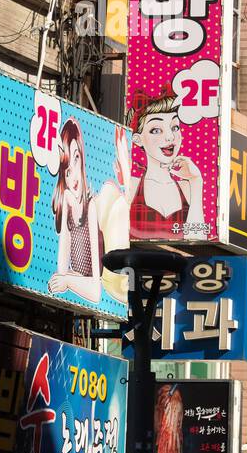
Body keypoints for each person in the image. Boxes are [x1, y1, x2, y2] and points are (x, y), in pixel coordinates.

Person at [47, 118, 128, 304]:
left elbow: (95, 292)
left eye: (76, 158)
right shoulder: (68, 207)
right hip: (85, 286)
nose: (73, 174)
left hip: (114, 285)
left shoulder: (90, 207)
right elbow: (61, 269)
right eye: (66, 169)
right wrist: (67, 206)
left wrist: (67, 280)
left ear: (82, 159)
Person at [124, 90, 204, 240]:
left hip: (181, 263)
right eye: (156, 130)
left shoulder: (187, 187)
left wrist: (196, 180)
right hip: (134, 262)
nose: (170, 137)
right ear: (137, 139)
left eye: (174, 127)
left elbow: (198, 240)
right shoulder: (130, 186)